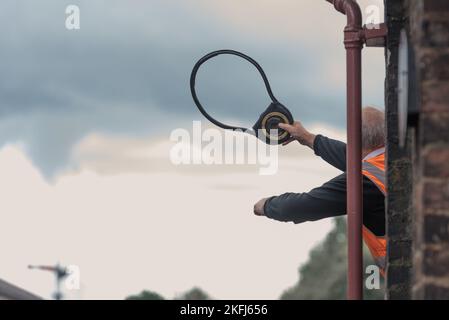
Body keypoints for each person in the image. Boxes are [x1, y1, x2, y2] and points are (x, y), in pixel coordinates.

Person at [253, 106, 387, 273]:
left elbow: (304, 206)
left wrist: (266, 206)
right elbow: (350, 156)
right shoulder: (391, 161)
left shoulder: (365, 182)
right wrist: (308, 138)